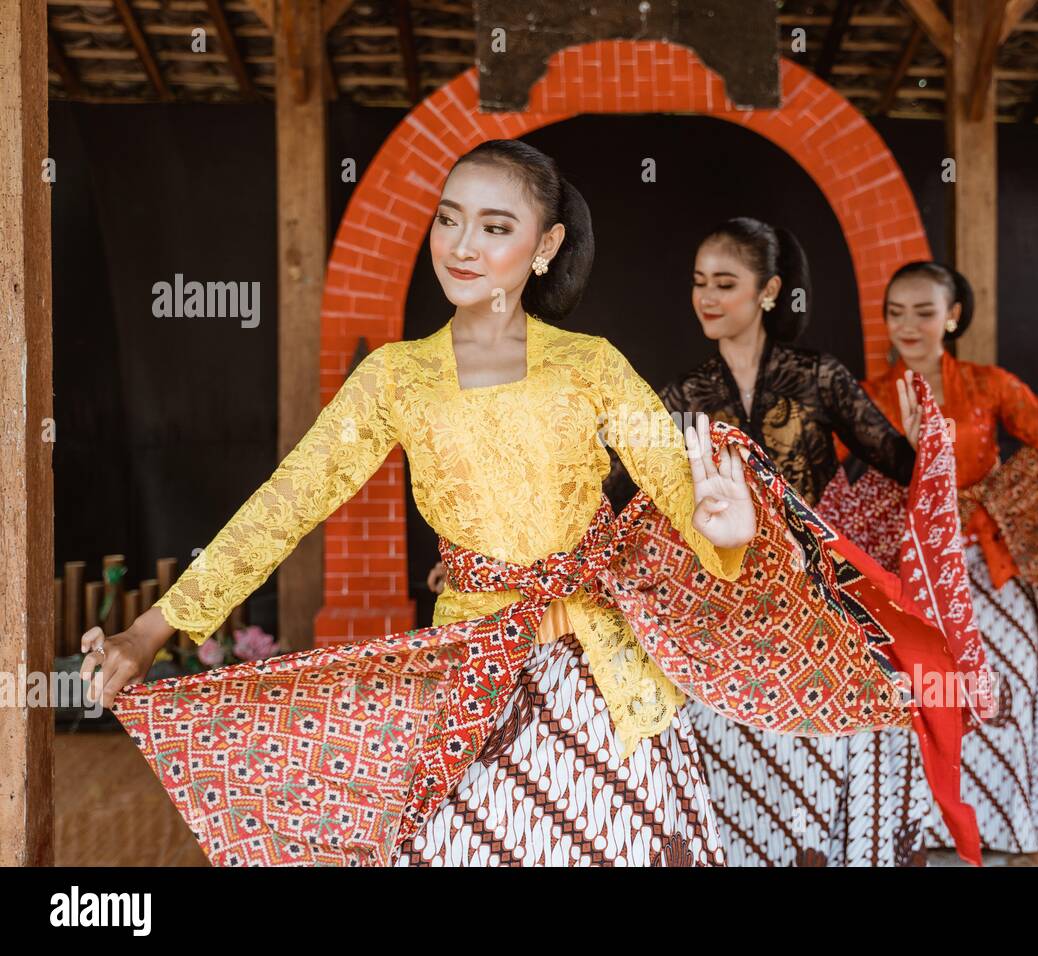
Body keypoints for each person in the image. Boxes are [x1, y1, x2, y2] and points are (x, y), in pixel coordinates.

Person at [82, 141, 962, 867]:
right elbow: (286, 502)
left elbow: (683, 497)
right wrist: (150, 631)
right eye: (449, 218)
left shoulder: (591, 364)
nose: (461, 245)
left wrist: (721, 528)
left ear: (542, 248)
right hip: (473, 673)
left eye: (494, 226)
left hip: (604, 677)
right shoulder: (396, 377)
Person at [606, 218, 962, 867]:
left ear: (769, 291)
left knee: (832, 755)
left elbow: (901, 467)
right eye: (698, 284)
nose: (707, 298)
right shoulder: (683, 395)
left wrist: (930, 441)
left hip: (816, 594)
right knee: (727, 754)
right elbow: (614, 487)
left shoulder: (818, 376)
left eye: (724, 283)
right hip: (724, 601)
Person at [852, 261, 1038, 854]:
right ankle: (922, 825)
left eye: (923, 311)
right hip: (914, 567)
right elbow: (829, 470)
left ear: (953, 316)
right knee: (921, 691)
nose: (908, 325)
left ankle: (1007, 822)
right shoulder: (866, 396)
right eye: (896, 312)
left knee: (1006, 686)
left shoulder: (988, 384)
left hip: (988, 564)